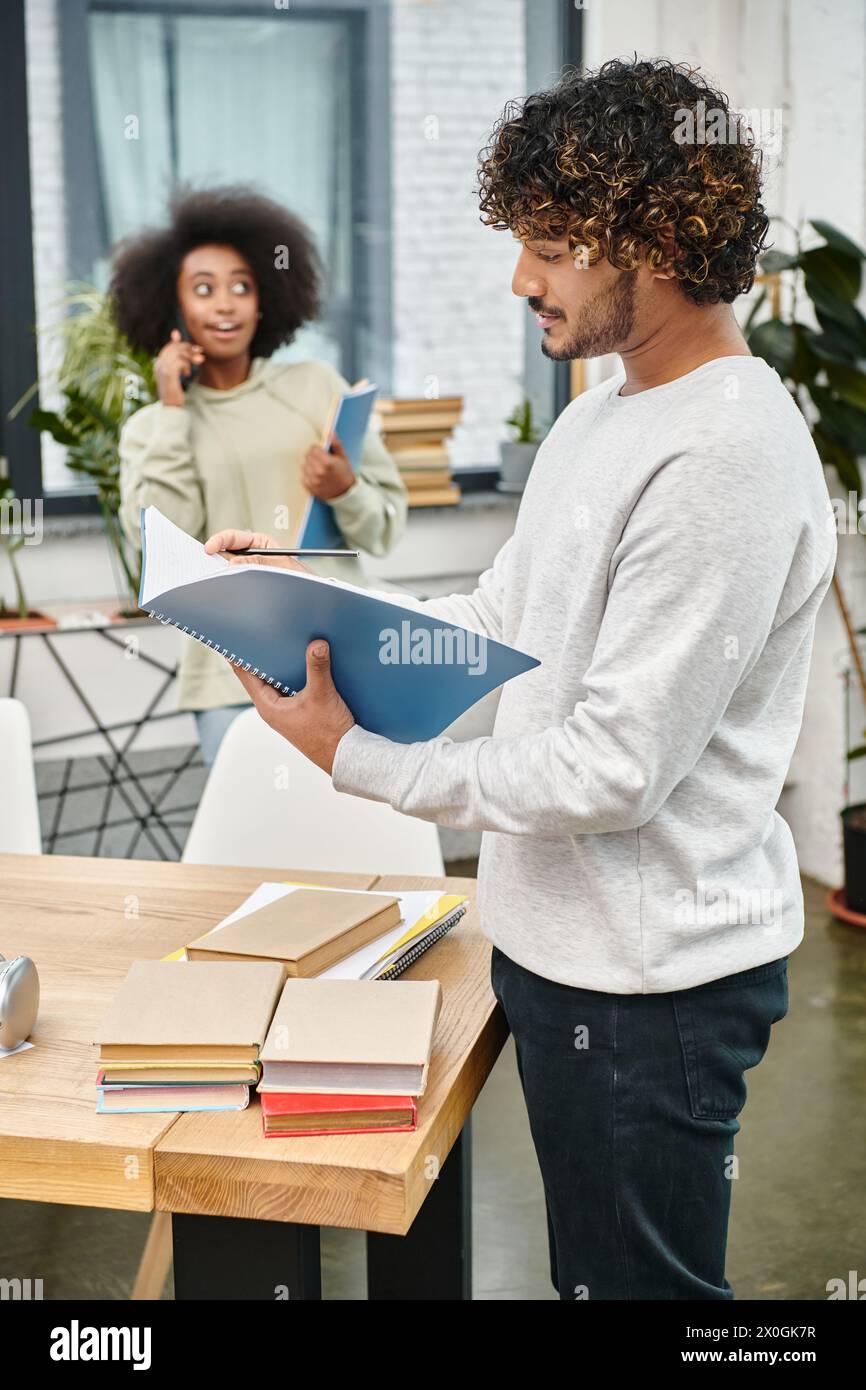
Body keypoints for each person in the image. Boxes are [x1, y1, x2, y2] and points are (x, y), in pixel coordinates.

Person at [204, 59, 837, 1299]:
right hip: (562, 949)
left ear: (654, 239)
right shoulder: (608, 412)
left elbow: (612, 767)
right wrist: (290, 589)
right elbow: (504, 617)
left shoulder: (722, 457)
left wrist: (359, 760)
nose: (518, 279)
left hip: (654, 985)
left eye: (550, 246)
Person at [113, 185, 407, 766]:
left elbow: (384, 530)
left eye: (241, 287)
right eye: (204, 290)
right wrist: (173, 410)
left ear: (267, 298)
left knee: (354, 837)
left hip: (339, 660)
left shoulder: (315, 387)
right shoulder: (152, 428)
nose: (226, 305)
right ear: (171, 309)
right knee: (246, 848)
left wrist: (343, 490)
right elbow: (163, 553)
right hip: (228, 674)